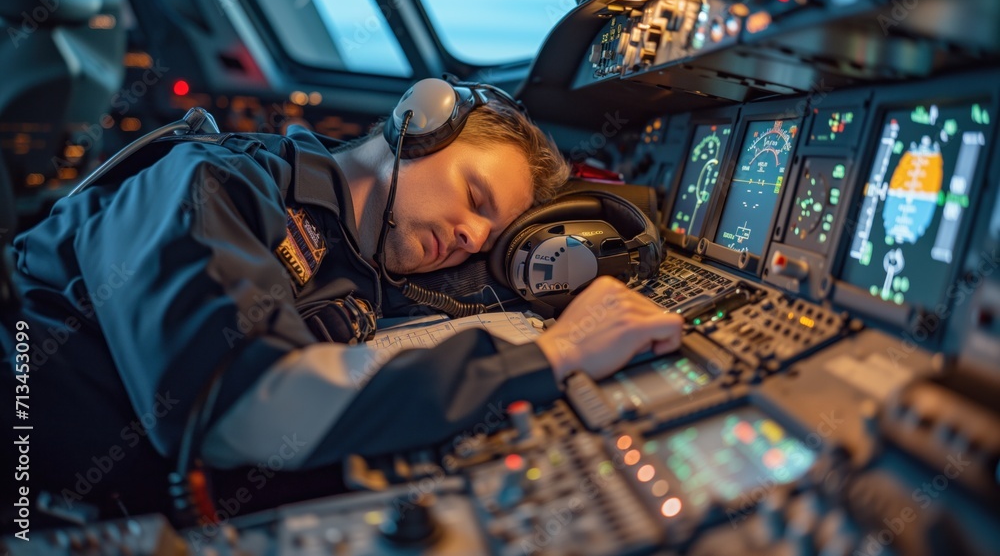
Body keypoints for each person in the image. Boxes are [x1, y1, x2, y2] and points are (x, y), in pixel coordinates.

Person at [0, 82, 683, 520]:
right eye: (476, 198)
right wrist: (551, 354)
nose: (472, 236)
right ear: (417, 123)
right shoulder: (215, 185)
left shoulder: (352, 259)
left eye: (489, 236)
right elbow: (244, 407)